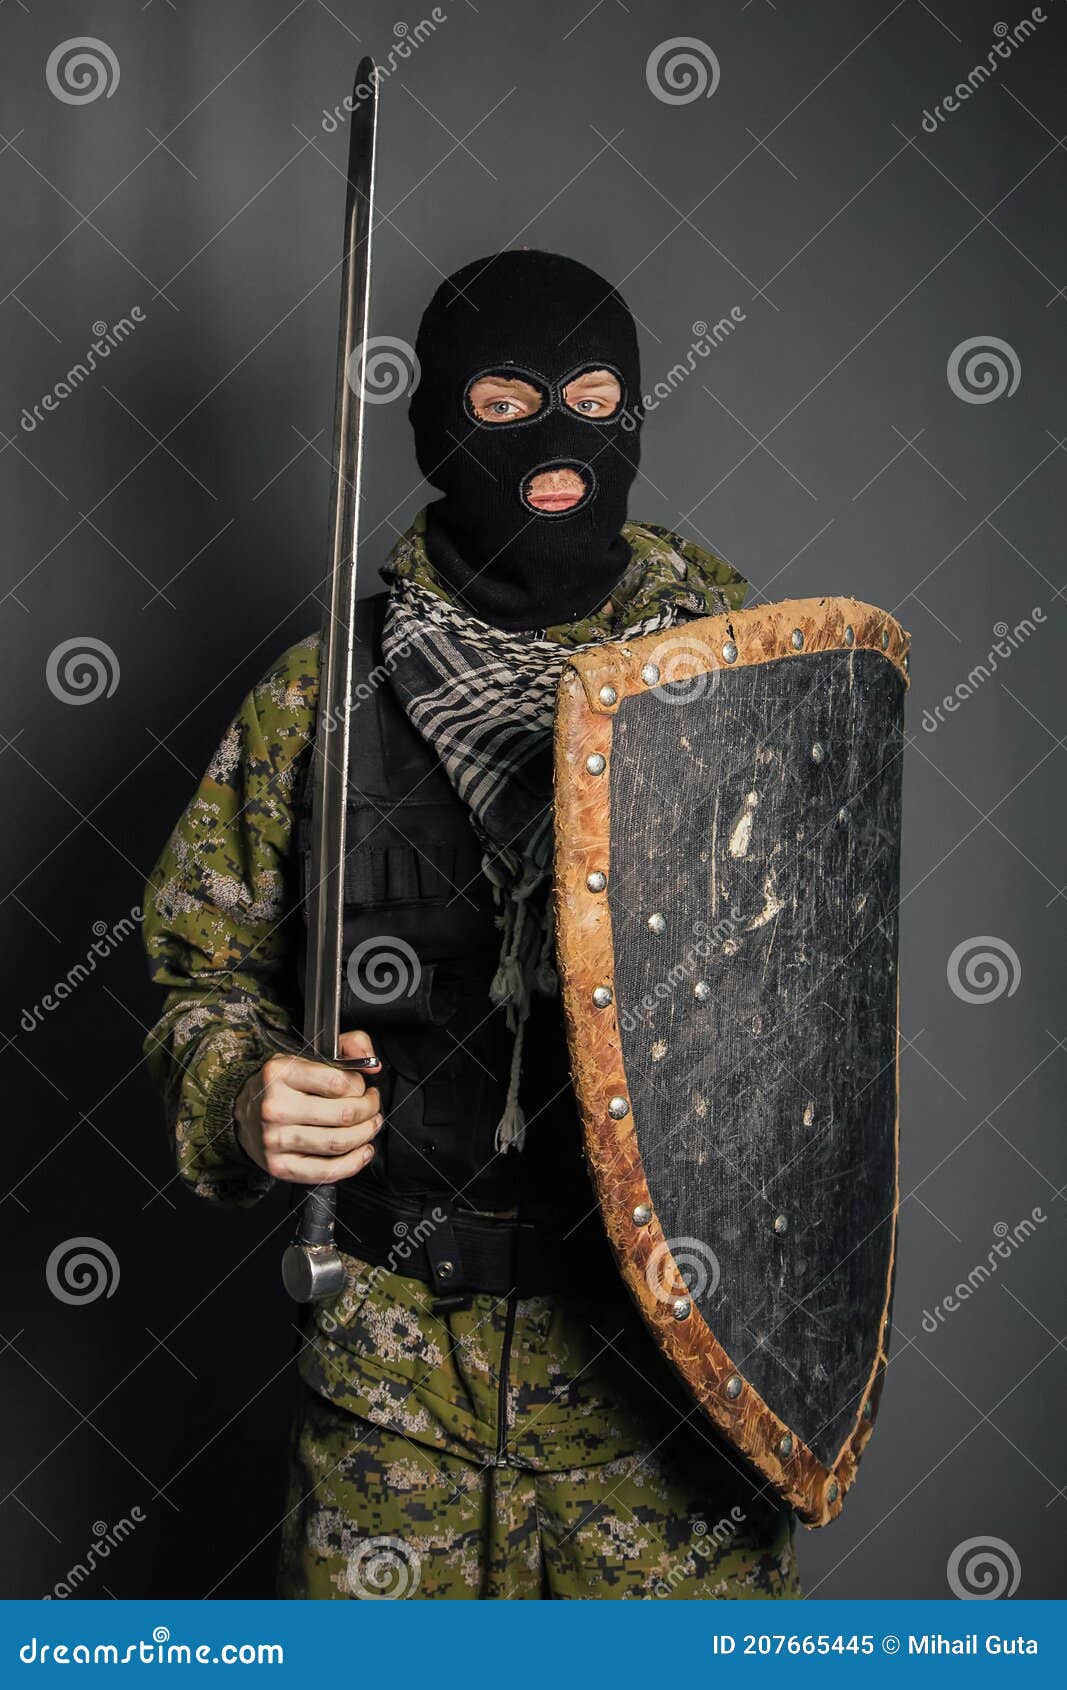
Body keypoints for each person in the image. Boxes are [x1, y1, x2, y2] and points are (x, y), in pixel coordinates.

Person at [143, 249, 800, 1600]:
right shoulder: (321, 699)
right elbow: (201, 972)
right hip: (394, 1397)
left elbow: (820, 1039)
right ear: (440, 428)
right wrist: (242, 1087)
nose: (559, 444)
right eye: (506, 403)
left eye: (596, 396)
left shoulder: (751, 691)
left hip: (667, 1407)